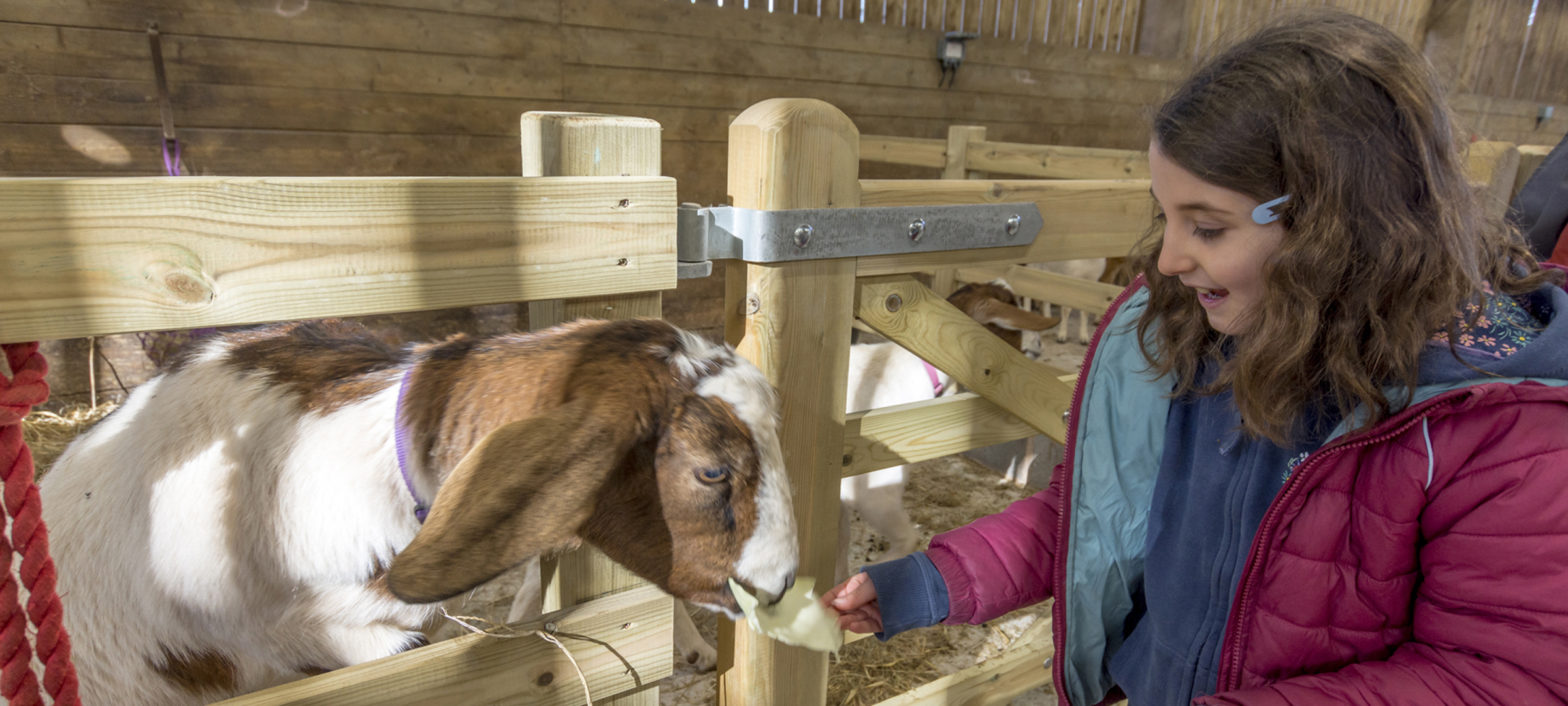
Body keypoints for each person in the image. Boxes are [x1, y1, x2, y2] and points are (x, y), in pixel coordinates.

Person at [823, 10, 1568, 705]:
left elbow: (1497, 678)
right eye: (1167, 216)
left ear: (1337, 226)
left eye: (1207, 228)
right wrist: (930, 582)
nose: (1170, 259)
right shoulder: (1198, 344)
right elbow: (1095, 513)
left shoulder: (1502, 429)